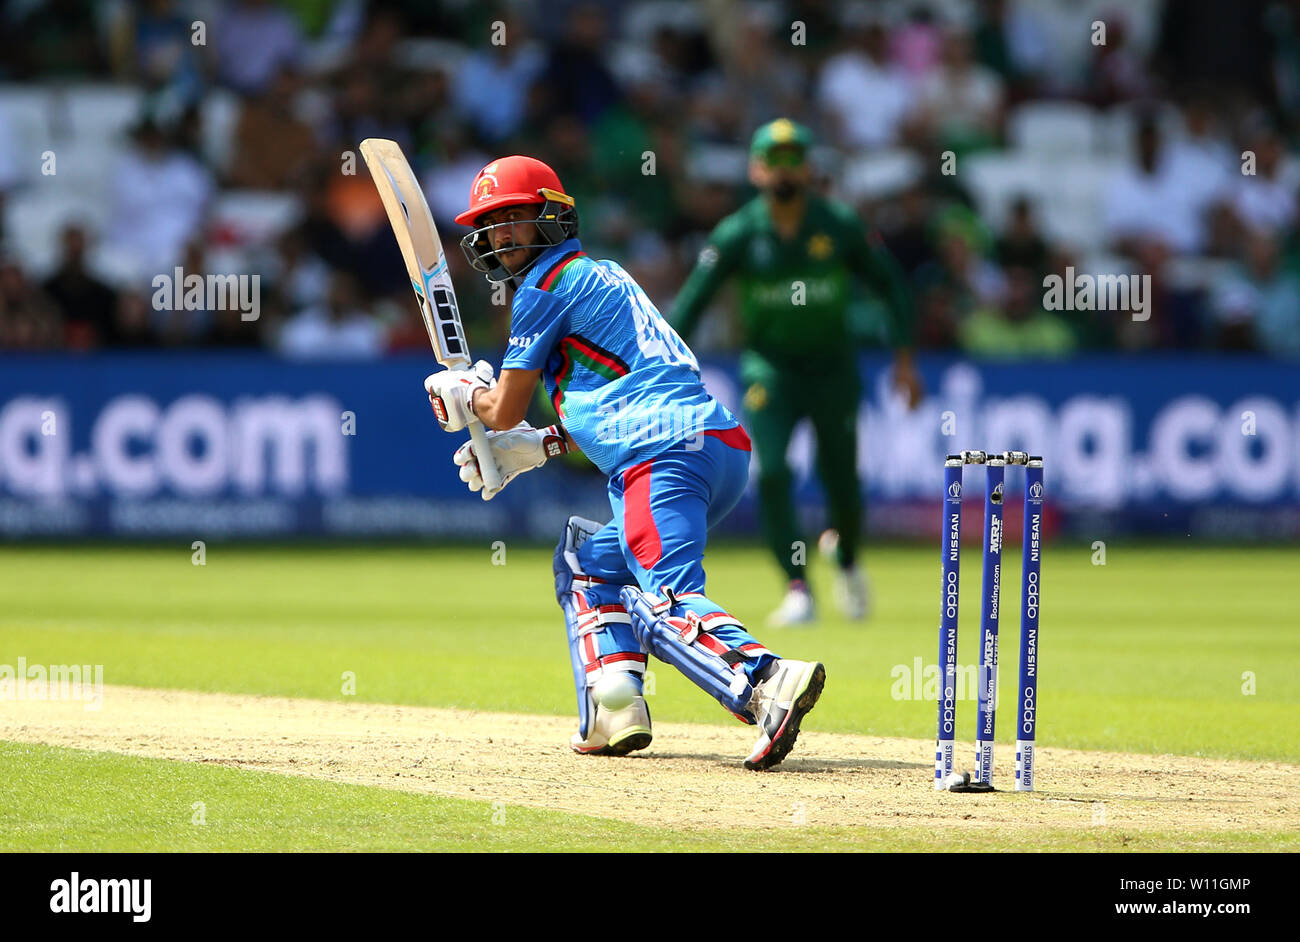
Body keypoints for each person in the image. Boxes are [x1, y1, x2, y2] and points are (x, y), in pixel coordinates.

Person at [425, 155, 825, 770]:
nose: (502, 234)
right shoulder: (602, 274)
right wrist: (540, 447)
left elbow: (502, 409)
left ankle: (767, 682)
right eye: (492, 222)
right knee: (588, 562)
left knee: (662, 599)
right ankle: (615, 709)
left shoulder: (545, 287)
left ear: (551, 219)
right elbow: (620, 393)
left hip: (660, 457)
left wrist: (463, 399)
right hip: (714, 448)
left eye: (515, 218)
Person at [671, 119, 921, 626]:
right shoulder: (739, 232)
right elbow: (692, 304)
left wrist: (904, 359)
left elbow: (890, 286)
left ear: (809, 168)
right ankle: (798, 587)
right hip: (771, 370)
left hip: (833, 370)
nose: (785, 169)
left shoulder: (839, 226)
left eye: (794, 158)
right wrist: (662, 361)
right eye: (774, 159)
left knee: (842, 480)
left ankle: (846, 559)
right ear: (756, 169)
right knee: (774, 472)